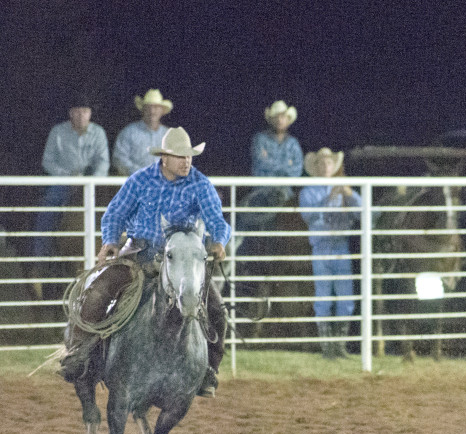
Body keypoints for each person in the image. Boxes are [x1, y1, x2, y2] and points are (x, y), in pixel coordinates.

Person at [62, 127, 230, 397]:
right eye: (179, 156)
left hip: (183, 263)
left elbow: (217, 221)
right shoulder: (140, 181)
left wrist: (220, 240)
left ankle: (208, 368)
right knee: (96, 293)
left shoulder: (200, 184)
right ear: (164, 157)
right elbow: (115, 213)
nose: (186, 161)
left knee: (218, 311)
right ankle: (79, 355)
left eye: (189, 156)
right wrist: (110, 241)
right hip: (139, 255)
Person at [299, 148, 361, 359]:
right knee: (323, 298)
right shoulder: (308, 191)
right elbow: (307, 215)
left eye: (328, 163)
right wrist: (329, 200)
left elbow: (361, 210)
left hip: (340, 245)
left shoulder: (343, 187)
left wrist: (350, 195)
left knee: (346, 298)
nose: (325, 166)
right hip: (322, 247)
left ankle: (338, 347)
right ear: (316, 168)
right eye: (321, 163)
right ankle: (328, 349)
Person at [34, 92, 110, 265]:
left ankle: (114, 254)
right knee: (48, 207)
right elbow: (48, 161)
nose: (81, 115)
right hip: (63, 182)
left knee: (114, 209)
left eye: (84, 111)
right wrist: (67, 177)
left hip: (92, 184)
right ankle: (41, 257)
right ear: (70, 113)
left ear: (90, 113)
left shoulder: (98, 133)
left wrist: (91, 181)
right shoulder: (58, 132)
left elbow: (103, 162)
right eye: (76, 111)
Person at [236, 100, 303, 256]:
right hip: (262, 192)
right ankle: (241, 260)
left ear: (288, 120)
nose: (280, 120)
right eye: (277, 117)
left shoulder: (293, 143)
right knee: (246, 224)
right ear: (271, 120)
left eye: (283, 117)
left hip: (286, 194)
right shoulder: (259, 139)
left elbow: (297, 170)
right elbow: (260, 163)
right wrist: (285, 166)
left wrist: (272, 165)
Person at [111, 89, 172, 175]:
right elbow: (119, 159)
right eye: (149, 107)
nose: (152, 111)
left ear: (162, 111)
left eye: (156, 107)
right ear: (143, 110)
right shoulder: (129, 132)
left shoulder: (170, 135)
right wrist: (142, 174)